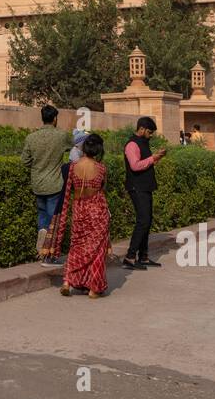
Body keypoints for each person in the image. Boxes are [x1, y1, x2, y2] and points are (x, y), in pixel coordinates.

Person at [50, 134, 113, 299]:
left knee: (77, 246)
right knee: (97, 250)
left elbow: (67, 191)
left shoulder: (72, 167)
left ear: (84, 148)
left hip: (79, 209)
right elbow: (102, 189)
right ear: (98, 150)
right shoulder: (101, 168)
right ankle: (93, 288)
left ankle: (67, 282)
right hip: (97, 210)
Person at [21, 105, 72, 265]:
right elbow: (74, 148)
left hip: (38, 184)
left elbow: (25, 161)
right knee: (53, 221)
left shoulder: (31, 138)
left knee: (42, 219)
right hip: (54, 184)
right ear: (55, 118)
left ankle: (42, 252)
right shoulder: (61, 135)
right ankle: (50, 256)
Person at [123, 116, 167, 269]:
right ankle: (129, 257)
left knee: (147, 221)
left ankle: (143, 256)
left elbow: (145, 163)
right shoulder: (132, 144)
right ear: (141, 129)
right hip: (137, 187)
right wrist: (152, 158)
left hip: (145, 186)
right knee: (143, 221)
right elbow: (135, 166)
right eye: (149, 131)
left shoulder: (143, 142)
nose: (151, 134)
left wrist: (156, 158)